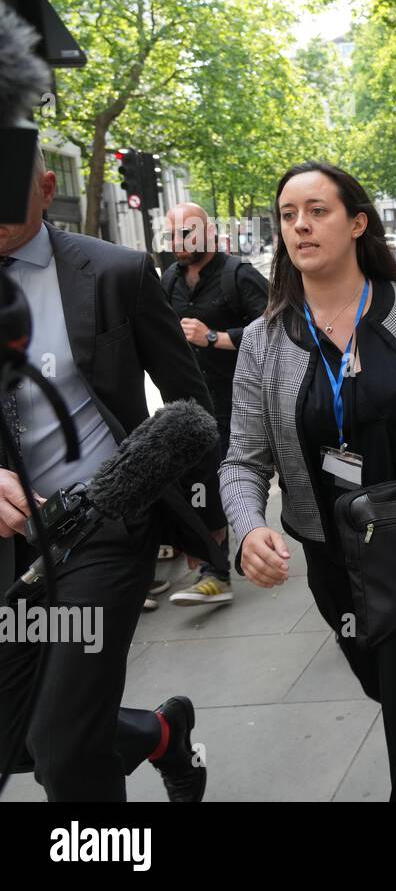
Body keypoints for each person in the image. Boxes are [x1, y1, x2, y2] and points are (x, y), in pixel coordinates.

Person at [219, 161, 396, 801]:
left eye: (317, 210)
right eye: (288, 216)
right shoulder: (264, 341)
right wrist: (247, 526)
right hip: (335, 556)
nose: (300, 226)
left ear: (357, 222)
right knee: (384, 683)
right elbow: (241, 460)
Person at [0, 148, 214, 801]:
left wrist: (154, 495)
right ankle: (157, 735)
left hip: (103, 529)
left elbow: (192, 407)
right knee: (17, 738)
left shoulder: (117, 272)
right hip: (12, 542)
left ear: (44, 187)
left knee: (63, 751)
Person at [157, 203, 269, 608]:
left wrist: (212, 337)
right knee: (195, 483)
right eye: (171, 235)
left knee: (221, 480)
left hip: (239, 401)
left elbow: (276, 325)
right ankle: (210, 563)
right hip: (186, 404)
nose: (177, 243)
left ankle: (219, 569)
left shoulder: (237, 275)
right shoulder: (169, 279)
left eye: (186, 233)